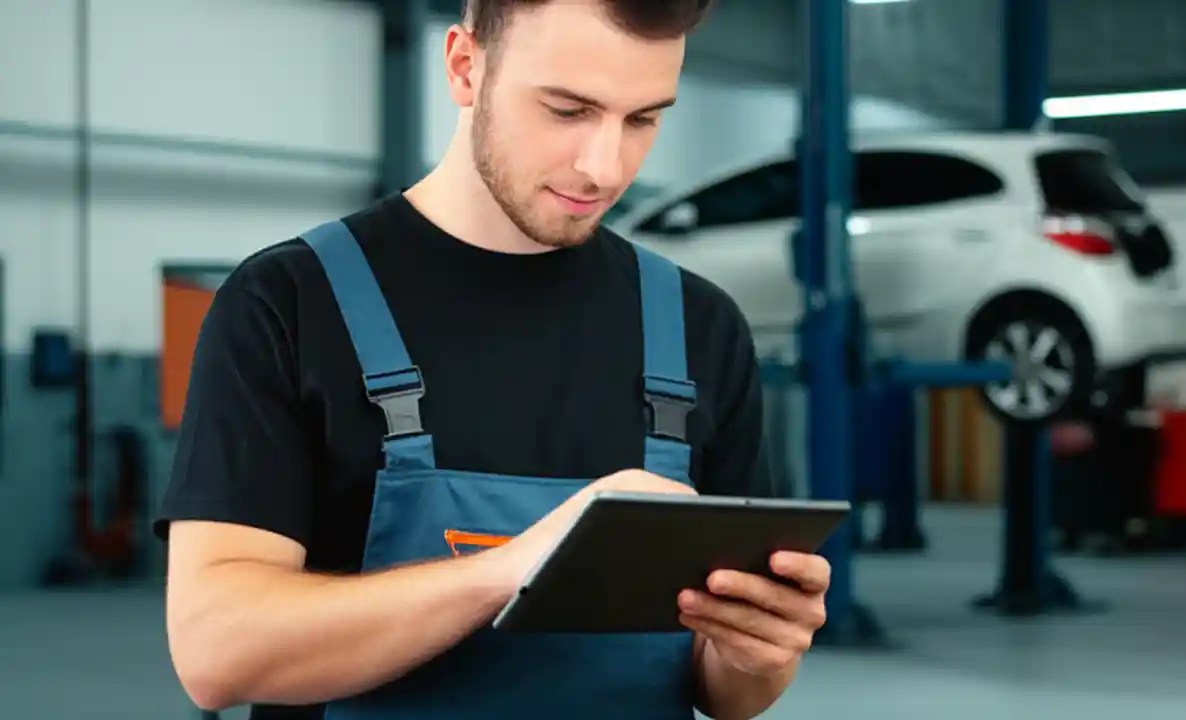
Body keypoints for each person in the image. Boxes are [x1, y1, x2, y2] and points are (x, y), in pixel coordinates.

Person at [156, 1, 832, 718]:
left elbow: (724, 691)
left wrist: (757, 655)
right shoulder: (287, 303)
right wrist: (512, 569)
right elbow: (216, 653)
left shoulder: (701, 327)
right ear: (464, 66)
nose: (604, 167)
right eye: (568, 110)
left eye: (643, 119)